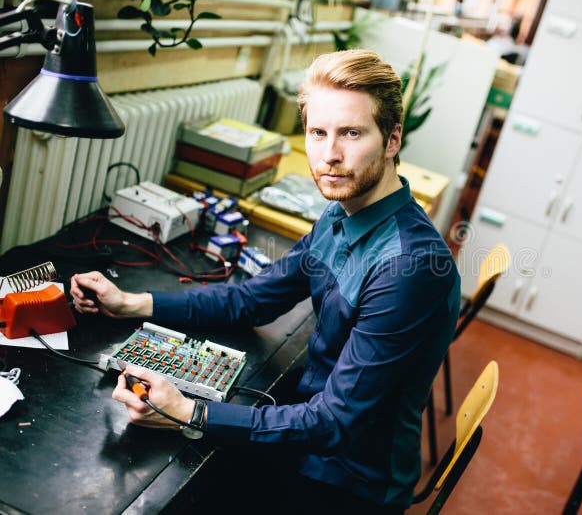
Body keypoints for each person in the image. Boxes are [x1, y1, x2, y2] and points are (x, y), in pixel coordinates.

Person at [70, 49, 461, 513]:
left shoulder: (408, 270)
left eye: (352, 133)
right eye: (318, 133)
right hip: (310, 437)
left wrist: (188, 413)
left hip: (344, 483)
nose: (330, 155)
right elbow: (254, 299)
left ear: (392, 139)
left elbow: (333, 422)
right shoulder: (341, 214)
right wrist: (131, 303)